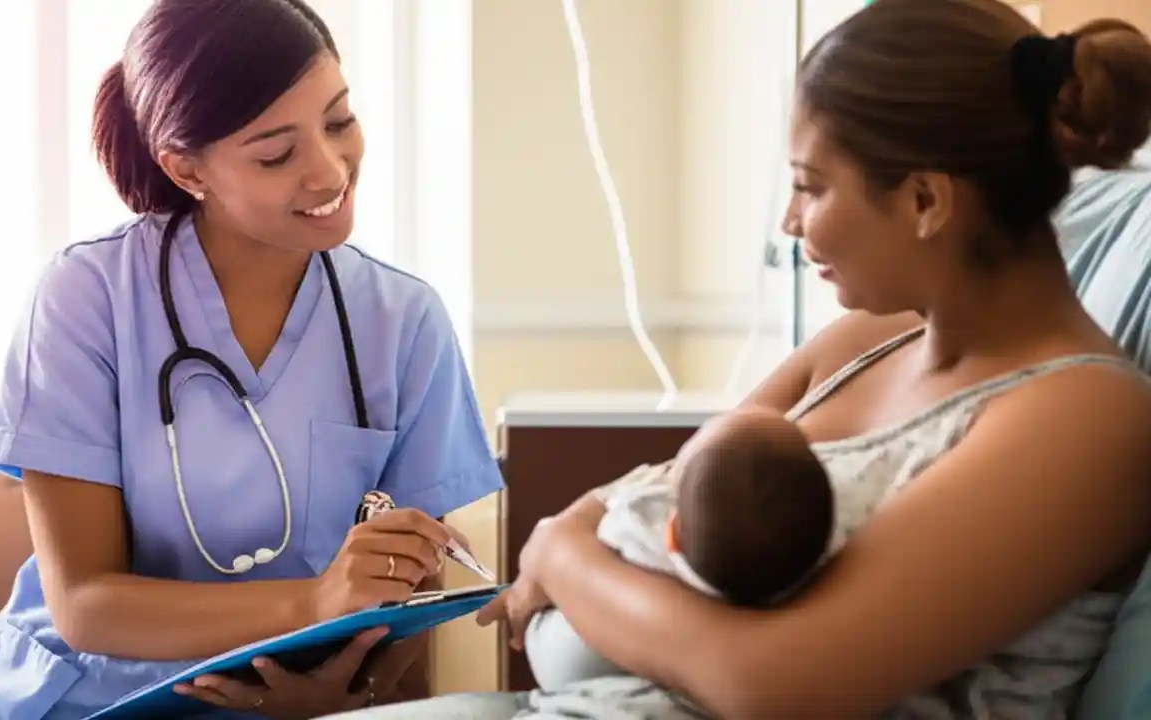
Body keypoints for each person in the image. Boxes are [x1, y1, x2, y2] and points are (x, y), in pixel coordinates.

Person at [328, 1, 1151, 718]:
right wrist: (569, 538)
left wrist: (564, 560)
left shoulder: (1083, 421)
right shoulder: (865, 345)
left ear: (926, 201)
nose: (792, 222)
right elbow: (648, 492)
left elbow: (777, 688)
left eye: (811, 186)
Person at [0, 1, 503, 718]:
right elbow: (85, 605)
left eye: (339, 122)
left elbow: (412, 579)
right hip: (78, 698)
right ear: (186, 169)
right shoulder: (86, 296)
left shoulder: (404, 320)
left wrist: (347, 691)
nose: (328, 172)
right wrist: (313, 602)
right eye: (275, 153)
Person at [524, 407, 834, 693]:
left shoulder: (640, 518)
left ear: (670, 533)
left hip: (577, 646)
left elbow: (590, 527)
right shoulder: (799, 557)